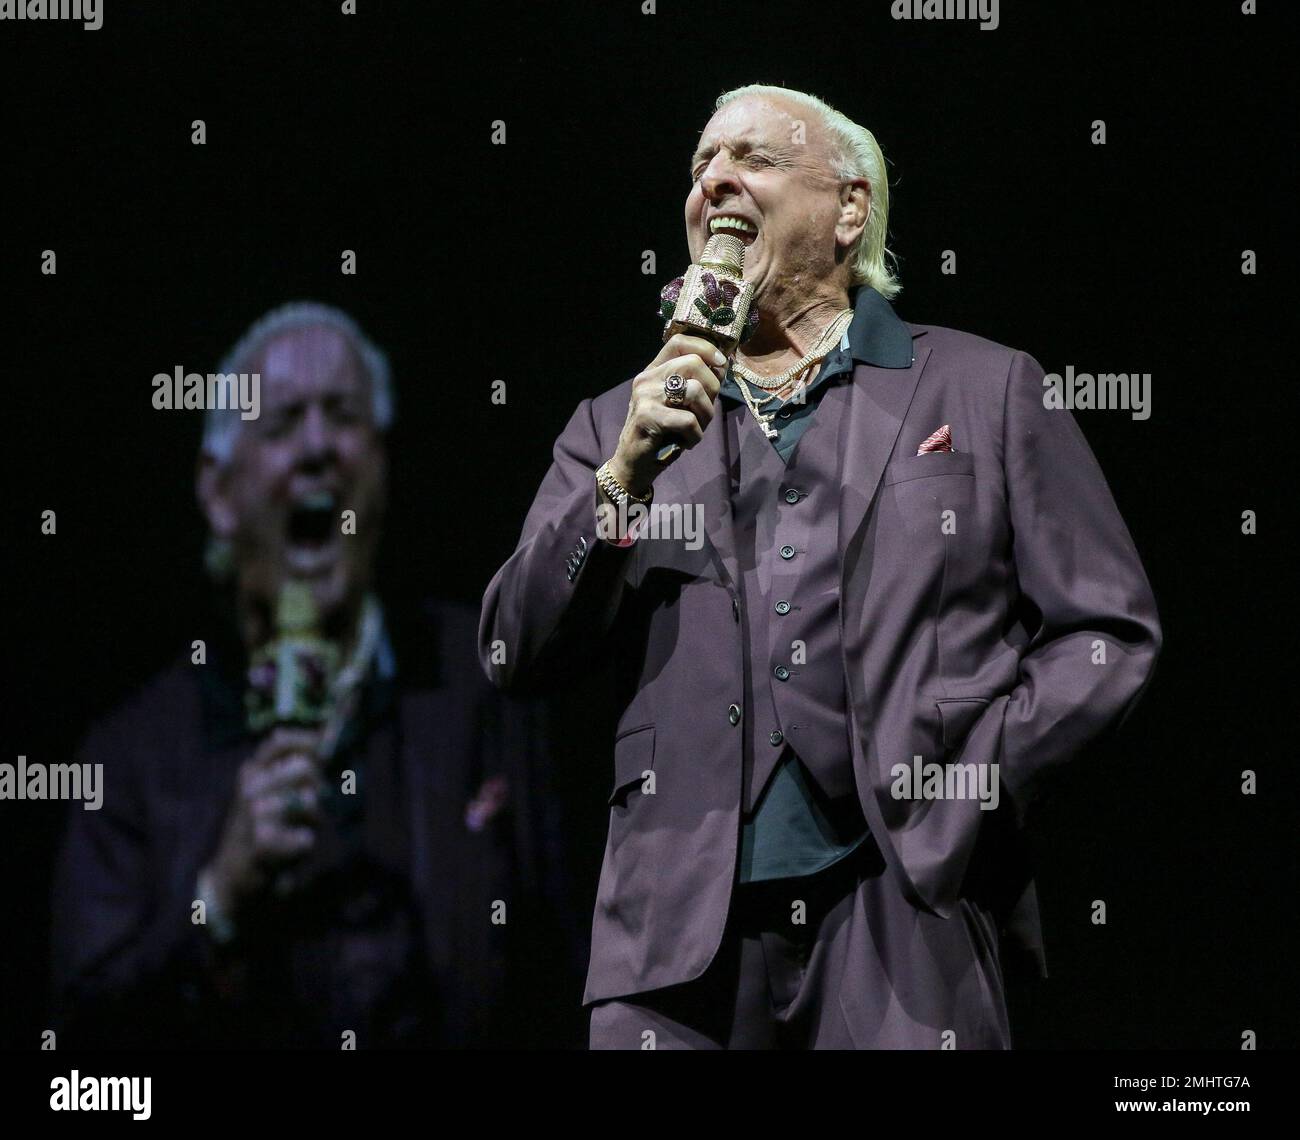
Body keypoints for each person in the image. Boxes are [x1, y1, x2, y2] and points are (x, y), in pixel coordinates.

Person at [479, 84, 1162, 1049]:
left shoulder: (983, 385)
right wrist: (623, 478)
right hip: (673, 942)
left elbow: (1109, 633)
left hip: (906, 909)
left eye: (754, 159)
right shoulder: (616, 423)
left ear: (849, 210)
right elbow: (514, 650)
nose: (714, 178)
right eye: (700, 167)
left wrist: (973, 774)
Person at [52, 302, 580, 1048]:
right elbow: (83, 1062)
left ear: (382, 464)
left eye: (343, 416)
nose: (316, 449)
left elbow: (562, 971)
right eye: (280, 424)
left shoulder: (485, 684)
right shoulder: (133, 759)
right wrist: (218, 899)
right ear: (217, 491)